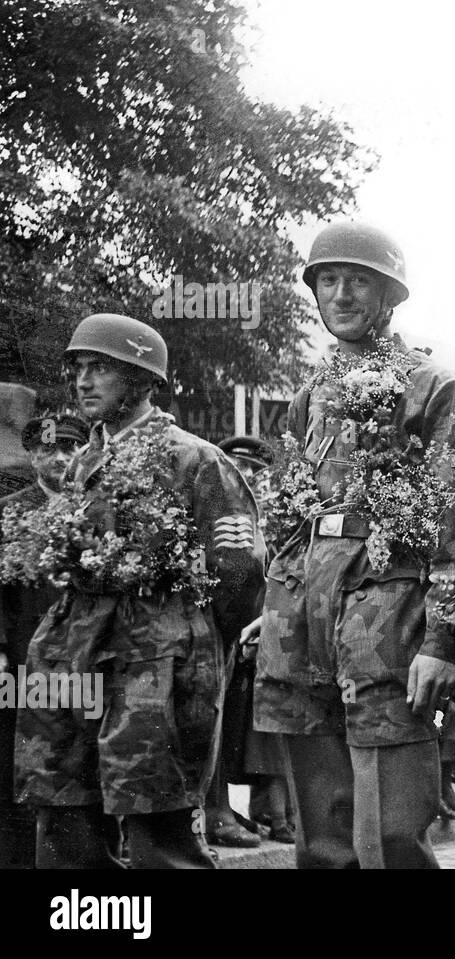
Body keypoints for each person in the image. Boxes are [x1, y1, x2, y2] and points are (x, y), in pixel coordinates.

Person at [252, 223, 455, 868]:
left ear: (390, 296)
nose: (342, 294)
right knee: (321, 836)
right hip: (304, 621)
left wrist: (443, 640)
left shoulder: (436, 389)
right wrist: (273, 604)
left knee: (389, 833)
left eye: (360, 281)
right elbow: (295, 512)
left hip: (387, 621)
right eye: (329, 280)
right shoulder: (308, 395)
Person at [14, 314, 263, 868]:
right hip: (72, 654)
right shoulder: (82, 462)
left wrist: (192, 643)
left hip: (158, 658)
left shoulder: (196, 459)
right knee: (65, 817)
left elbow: (238, 573)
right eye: (77, 367)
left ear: (144, 379)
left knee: (158, 828)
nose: (83, 381)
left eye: (101, 367)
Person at [0, 414, 89, 867]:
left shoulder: (95, 504)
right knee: (18, 758)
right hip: (21, 655)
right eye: (47, 449)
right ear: (31, 454)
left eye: (68, 448)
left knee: (77, 757)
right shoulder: (11, 509)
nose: (58, 458)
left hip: (82, 656)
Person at [213, 435, 294, 845]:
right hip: (225, 630)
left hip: (265, 633)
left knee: (258, 727)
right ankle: (219, 810)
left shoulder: (276, 518)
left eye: (256, 472)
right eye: (238, 467)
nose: (246, 477)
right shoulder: (218, 511)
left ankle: (270, 809)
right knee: (221, 725)